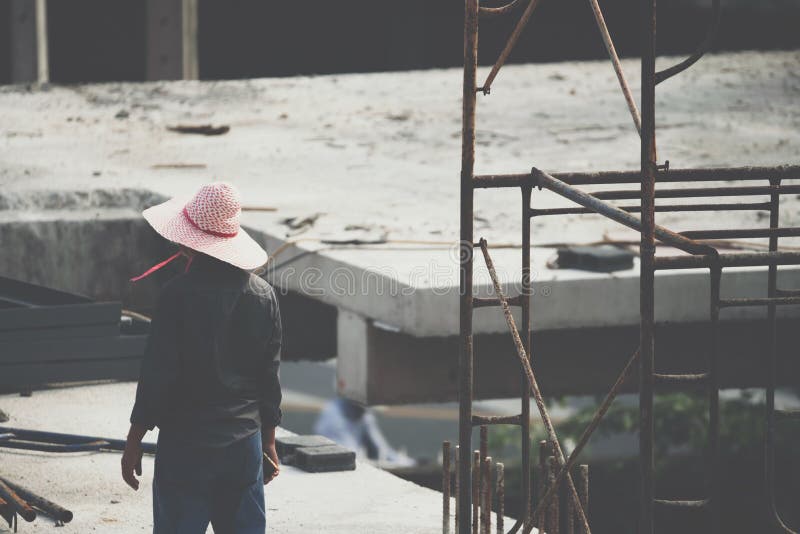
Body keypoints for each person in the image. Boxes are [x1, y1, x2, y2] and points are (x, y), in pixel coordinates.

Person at [120, 182, 282, 534]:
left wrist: (134, 440)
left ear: (188, 241)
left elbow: (157, 375)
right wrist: (268, 442)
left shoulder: (176, 296)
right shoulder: (264, 296)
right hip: (243, 444)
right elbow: (268, 378)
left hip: (185, 446)